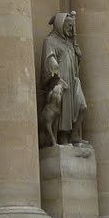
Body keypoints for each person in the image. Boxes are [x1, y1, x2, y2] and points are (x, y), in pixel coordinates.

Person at [39, 11, 88, 146]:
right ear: (60, 24)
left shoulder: (69, 43)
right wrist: (54, 66)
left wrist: (79, 56)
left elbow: (74, 64)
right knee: (64, 112)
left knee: (82, 106)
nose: (71, 29)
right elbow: (49, 58)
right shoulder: (50, 41)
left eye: (72, 26)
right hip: (61, 82)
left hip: (73, 81)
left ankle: (74, 134)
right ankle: (63, 137)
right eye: (68, 26)